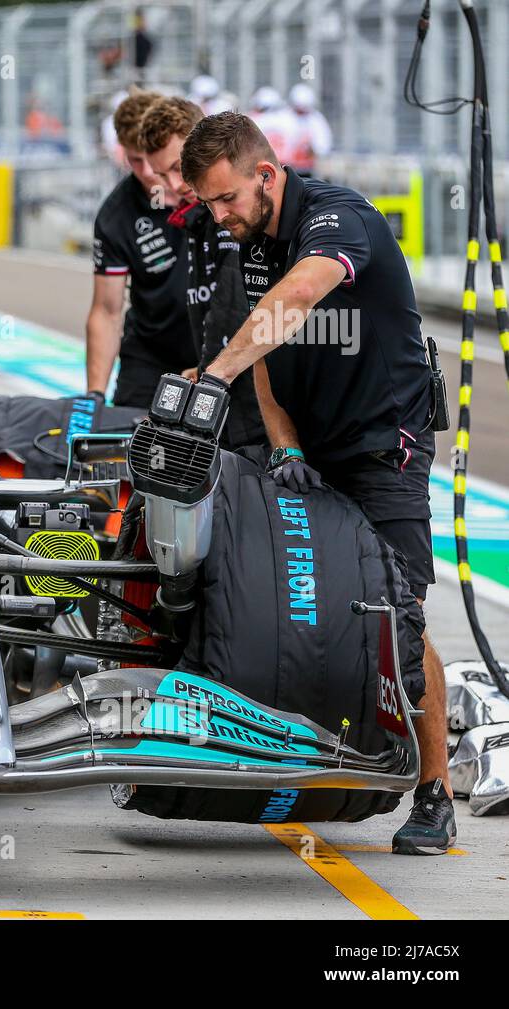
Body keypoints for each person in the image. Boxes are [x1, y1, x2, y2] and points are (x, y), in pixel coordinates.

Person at [181, 111, 455, 854]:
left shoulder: (339, 218)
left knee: (400, 613)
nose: (219, 216)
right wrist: (282, 445)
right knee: (295, 599)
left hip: (383, 445)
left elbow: (297, 299)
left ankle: (434, 788)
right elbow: (272, 357)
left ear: (266, 176)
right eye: (208, 205)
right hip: (312, 448)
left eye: (226, 199)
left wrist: (212, 378)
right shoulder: (254, 244)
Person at [137, 95, 265, 450]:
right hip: (225, 398)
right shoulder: (197, 223)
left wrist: (212, 372)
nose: (175, 185)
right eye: (162, 174)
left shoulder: (231, 218)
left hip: (252, 413)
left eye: (178, 169)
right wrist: (203, 368)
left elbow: (236, 313)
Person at [84, 89, 193, 409]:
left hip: (219, 350)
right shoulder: (116, 214)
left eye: (152, 159)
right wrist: (94, 396)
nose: (147, 172)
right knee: (123, 441)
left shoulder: (212, 190)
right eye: (134, 160)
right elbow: (106, 310)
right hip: (151, 353)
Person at [286, 83, 333, 174]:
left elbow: (323, 145)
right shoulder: (284, 117)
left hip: (307, 169)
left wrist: (312, 149)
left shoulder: (316, 120)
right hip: (286, 167)